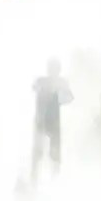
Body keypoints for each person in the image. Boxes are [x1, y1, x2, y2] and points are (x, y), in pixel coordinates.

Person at [32, 57, 73, 185]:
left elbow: (70, 97)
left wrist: (59, 93)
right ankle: (34, 182)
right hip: (41, 121)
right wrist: (46, 90)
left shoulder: (61, 82)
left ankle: (54, 182)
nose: (53, 71)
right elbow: (34, 87)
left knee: (55, 156)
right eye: (51, 68)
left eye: (55, 69)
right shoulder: (42, 81)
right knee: (37, 154)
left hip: (53, 122)